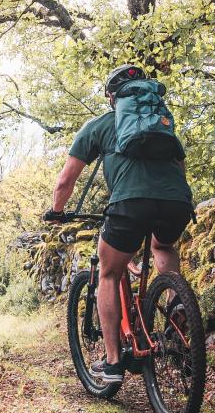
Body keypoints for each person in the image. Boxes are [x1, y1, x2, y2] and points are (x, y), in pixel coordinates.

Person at [44, 64, 194, 383]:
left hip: (130, 204)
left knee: (109, 273)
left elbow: (65, 181)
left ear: (112, 97)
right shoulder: (163, 124)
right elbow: (180, 169)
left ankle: (113, 362)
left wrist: (56, 211)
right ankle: (177, 308)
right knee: (162, 245)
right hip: (177, 201)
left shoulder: (99, 125)